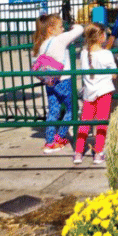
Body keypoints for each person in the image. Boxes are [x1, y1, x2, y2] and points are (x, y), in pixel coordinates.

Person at [32, 13, 83, 154]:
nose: (63, 29)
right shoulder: (59, 40)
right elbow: (79, 30)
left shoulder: (41, 44)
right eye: (61, 26)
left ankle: (50, 141)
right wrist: (73, 26)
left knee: (53, 110)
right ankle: (60, 136)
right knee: (72, 109)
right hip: (64, 79)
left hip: (50, 82)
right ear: (50, 29)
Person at [73, 22, 117, 165]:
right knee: (102, 122)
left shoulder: (84, 53)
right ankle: (98, 152)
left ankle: (78, 152)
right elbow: (114, 74)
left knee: (85, 122)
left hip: (89, 93)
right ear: (101, 36)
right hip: (104, 91)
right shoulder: (107, 54)